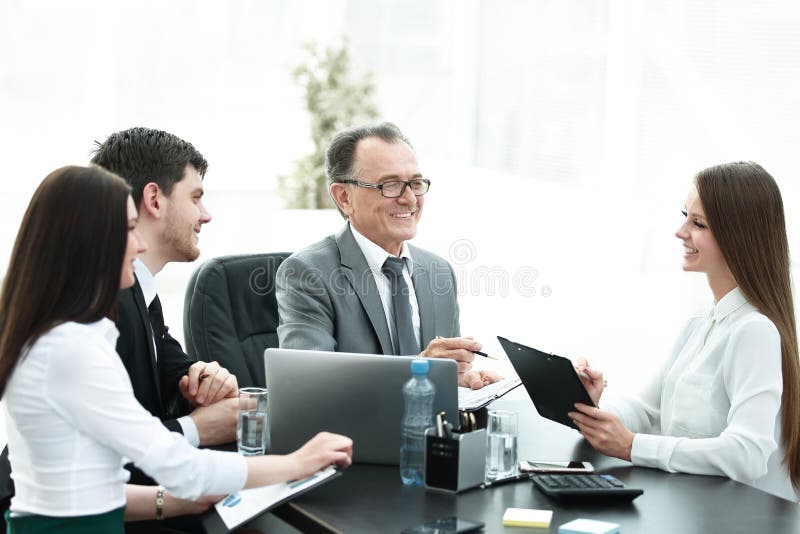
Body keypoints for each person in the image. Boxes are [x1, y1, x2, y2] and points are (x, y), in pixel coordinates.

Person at [0, 165, 353, 533]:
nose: (139, 245)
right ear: (90, 242)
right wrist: (298, 463)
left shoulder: (53, 336)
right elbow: (182, 467)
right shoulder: (72, 351)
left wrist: (172, 503)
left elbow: (88, 492)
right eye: (128, 229)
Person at [569, 161, 800, 502]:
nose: (680, 231)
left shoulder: (755, 332)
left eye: (698, 223)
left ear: (738, 236)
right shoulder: (700, 324)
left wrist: (633, 446)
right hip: (696, 508)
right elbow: (648, 411)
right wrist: (596, 415)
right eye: (685, 216)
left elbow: (747, 454)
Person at [276, 122, 501, 389]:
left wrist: (461, 381)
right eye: (391, 185)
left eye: (415, 183)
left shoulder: (439, 271)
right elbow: (308, 385)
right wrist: (418, 369)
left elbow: (440, 378)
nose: (410, 199)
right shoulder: (306, 272)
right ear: (344, 197)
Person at [90, 127, 237, 452]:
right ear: (154, 200)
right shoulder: (100, 303)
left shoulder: (139, 293)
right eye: (196, 197)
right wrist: (196, 430)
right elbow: (101, 450)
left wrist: (201, 379)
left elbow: (173, 369)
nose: (206, 215)